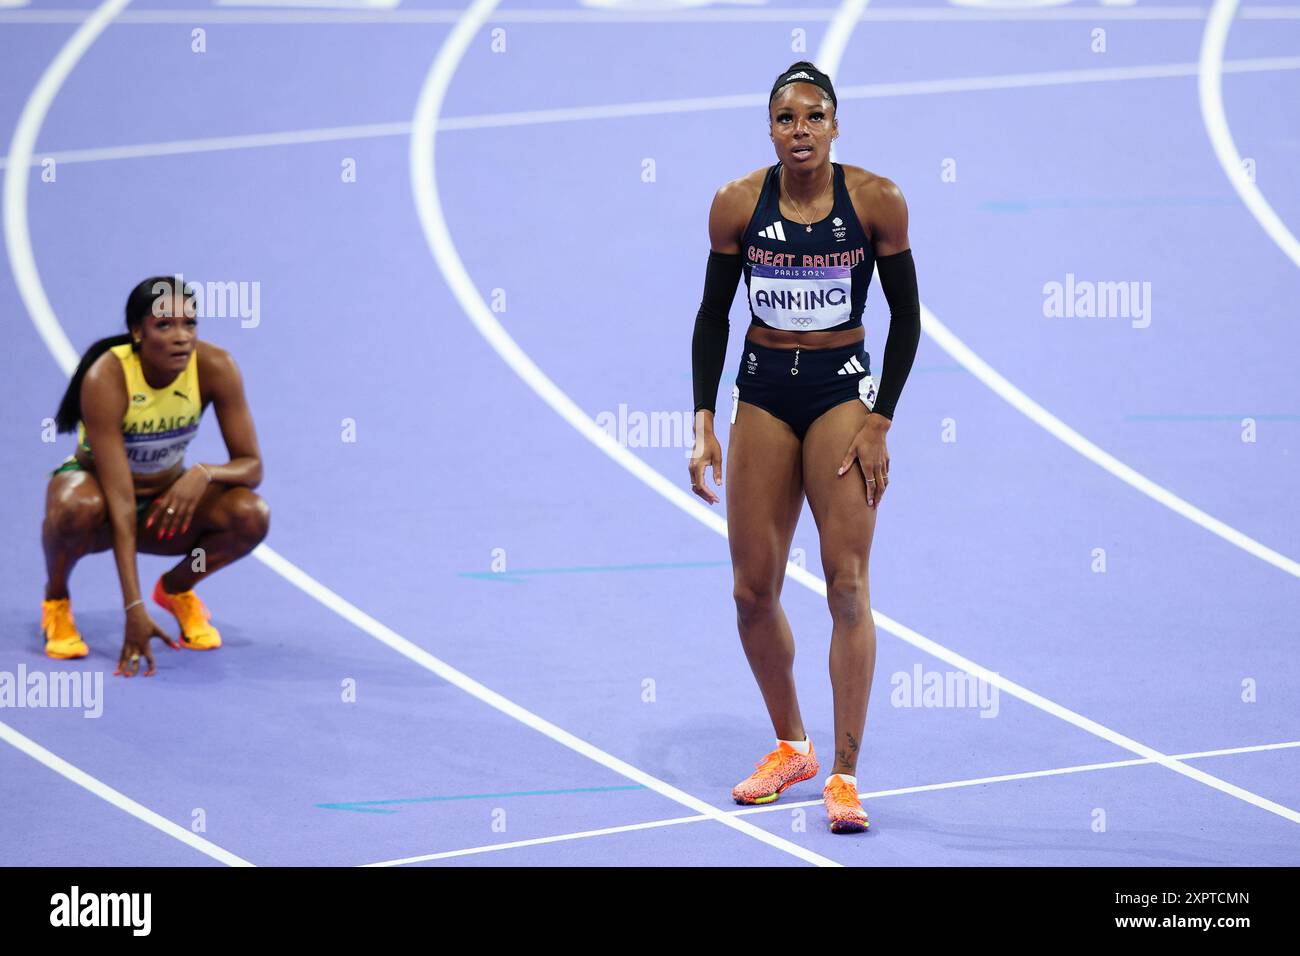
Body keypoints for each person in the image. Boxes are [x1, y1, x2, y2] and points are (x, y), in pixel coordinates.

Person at [688, 62, 921, 833]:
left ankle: (846, 777)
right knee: (752, 593)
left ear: (835, 124)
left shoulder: (877, 201)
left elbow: (908, 320)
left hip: (839, 394)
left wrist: (879, 419)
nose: (800, 131)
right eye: (785, 118)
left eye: (813, 117)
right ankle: (792, 744)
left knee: (846, 585)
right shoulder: (735, 204)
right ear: (770, 128)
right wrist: (702, 421)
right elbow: (713, 317)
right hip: (763, 391)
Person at [42, 276, 269, 677]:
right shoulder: (107, 378)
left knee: (250, 515)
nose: (182, 337)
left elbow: (251, 466)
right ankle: (56, 599)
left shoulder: (215, 367)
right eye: (164, 326)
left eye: (190, 324)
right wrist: (133, 609)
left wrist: (203, 473)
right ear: (137, 333)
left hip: (164, 504)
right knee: (75, 506)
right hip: (103, 504)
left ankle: (177, 588)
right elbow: (121, 497)